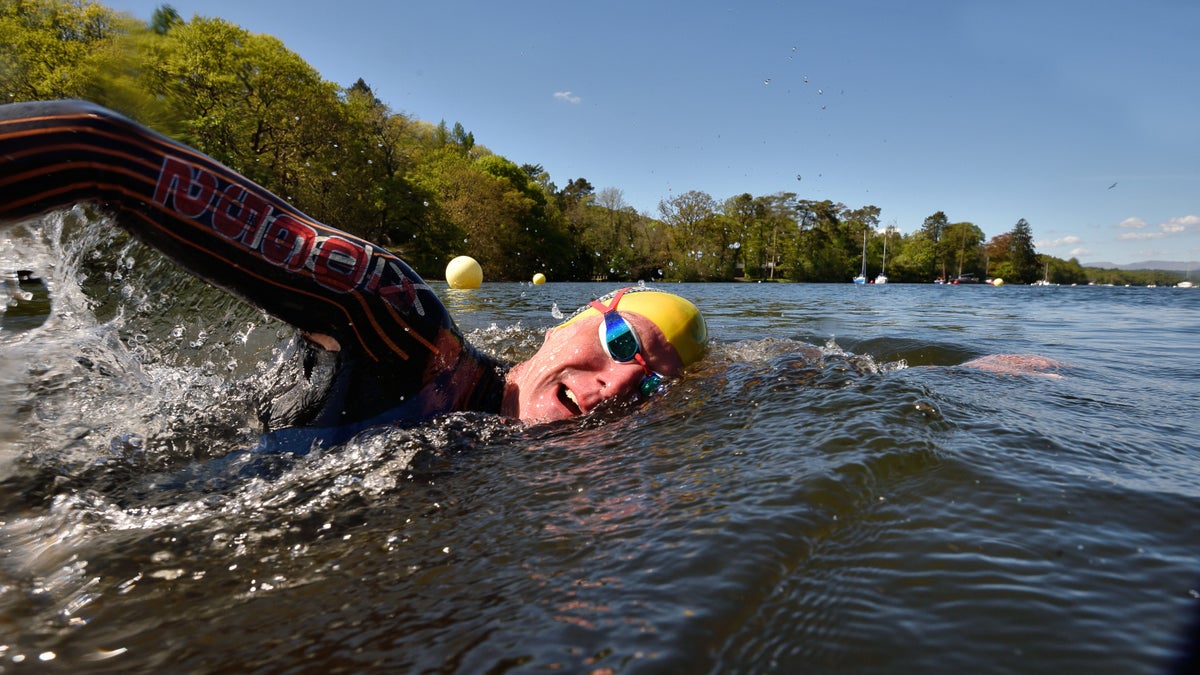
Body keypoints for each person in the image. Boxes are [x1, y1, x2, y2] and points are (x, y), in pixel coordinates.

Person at [0, 100, 708, 450]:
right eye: (621, 345)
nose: (613, 386)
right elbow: (96, 149)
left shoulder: (499, 451)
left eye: (646, 385)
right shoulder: (398, 317)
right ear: (577, 316)